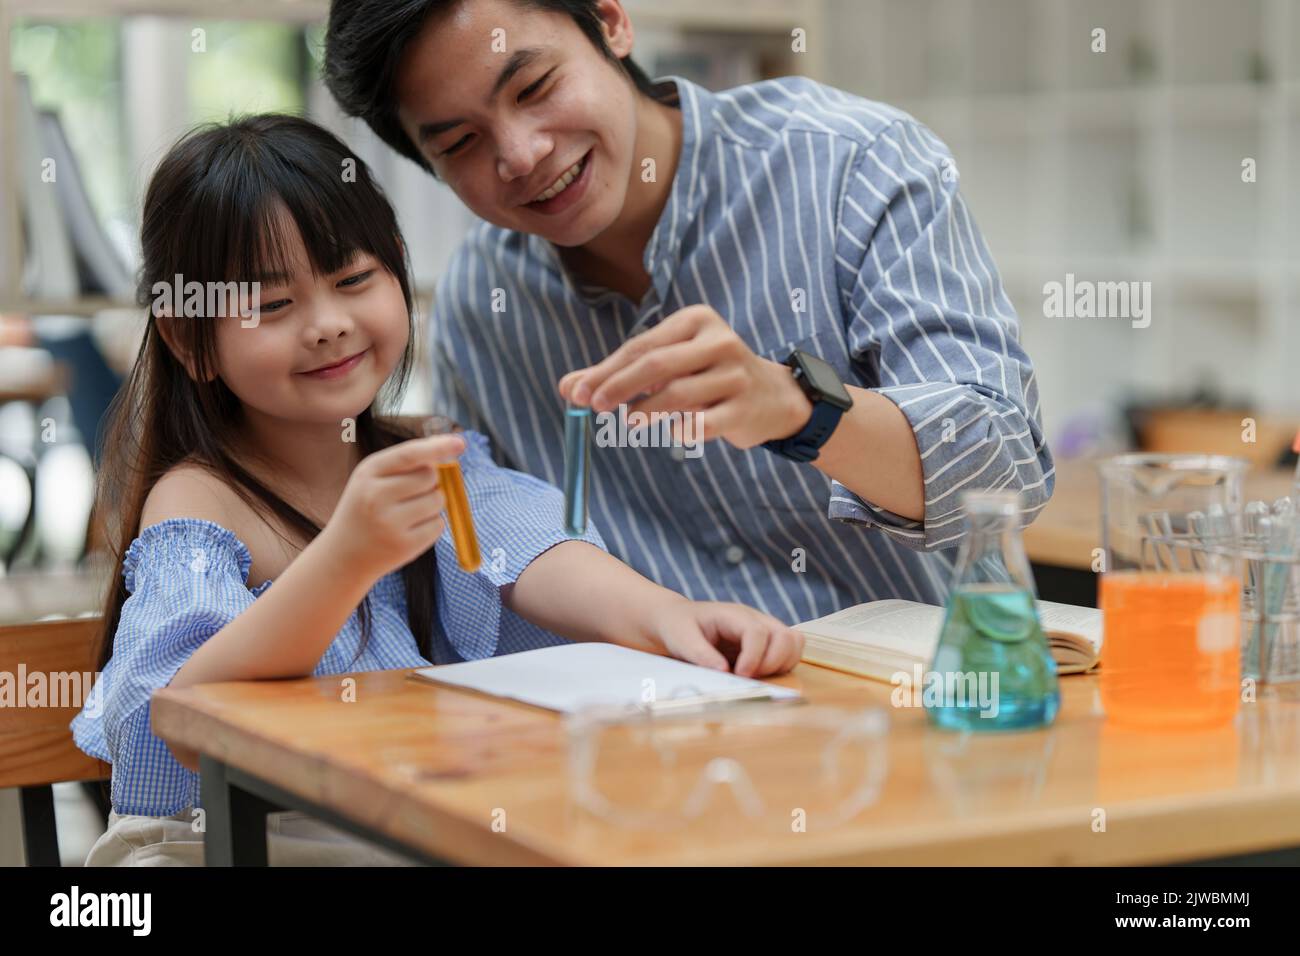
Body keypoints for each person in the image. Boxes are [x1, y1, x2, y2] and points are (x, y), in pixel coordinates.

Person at [71, 114, 802, 866]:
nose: (328, 324)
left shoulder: (425, 450)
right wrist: (346, 560)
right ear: (191, 339)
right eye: (272, 306)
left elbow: (531, 550)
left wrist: (669, 615)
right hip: (225, 840)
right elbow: (172, 715)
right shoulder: (198, 502)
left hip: (382, 825)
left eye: (354, 280)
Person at [322, 0, 1055, 625]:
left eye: (535, 86)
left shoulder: (850, 164)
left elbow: (1006, 481)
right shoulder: (484, 302)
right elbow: (497, 561)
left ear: (610, 21)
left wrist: (799, 410)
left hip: (904, 714)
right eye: (460, 143)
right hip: (641, 750)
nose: (523, 154)